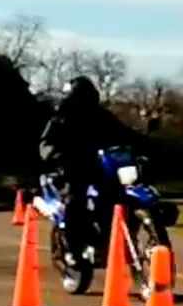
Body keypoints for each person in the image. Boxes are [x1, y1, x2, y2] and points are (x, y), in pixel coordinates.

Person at [37, 76, 144, 260]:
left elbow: (124, 133)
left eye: (87, 97)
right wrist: (55, 155)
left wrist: (146, 144)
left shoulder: (102, 116)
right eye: (80, 97)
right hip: (72, 168)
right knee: (75, 198)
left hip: (101, 166)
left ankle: (119, 234)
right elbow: (46, 143)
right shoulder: (61, 118)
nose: (83, 102)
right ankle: (74, 249)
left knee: (119, 190)